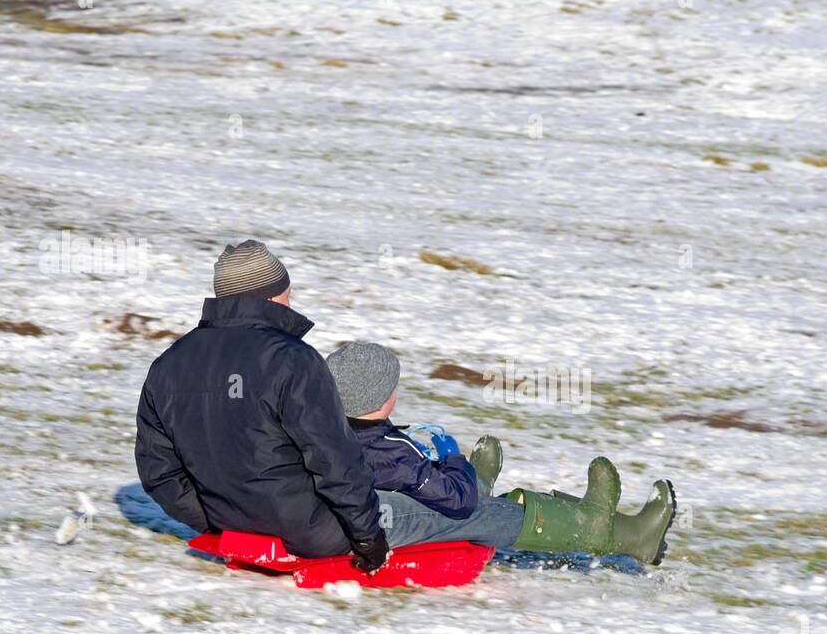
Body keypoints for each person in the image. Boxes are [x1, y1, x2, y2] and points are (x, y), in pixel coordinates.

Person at [134, 240, 392, 573]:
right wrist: (369, 538)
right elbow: (332, 458)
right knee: (444, 509)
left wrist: (214, 524)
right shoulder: (292, 359)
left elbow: (158, 471)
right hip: (313, 533)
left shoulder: (166, 365)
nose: (290, 302)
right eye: (287, 293)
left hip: (229, 524)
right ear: (269, 296)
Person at [325, 341, 677, 565]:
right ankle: (615, 532)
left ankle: (477, 483)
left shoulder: (320, 433)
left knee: (449, 494)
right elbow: (451, 499)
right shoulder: (392, 450)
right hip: (377, 523)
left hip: (341, 514)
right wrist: (452, 459)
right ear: (385, 398)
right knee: (479, 509)